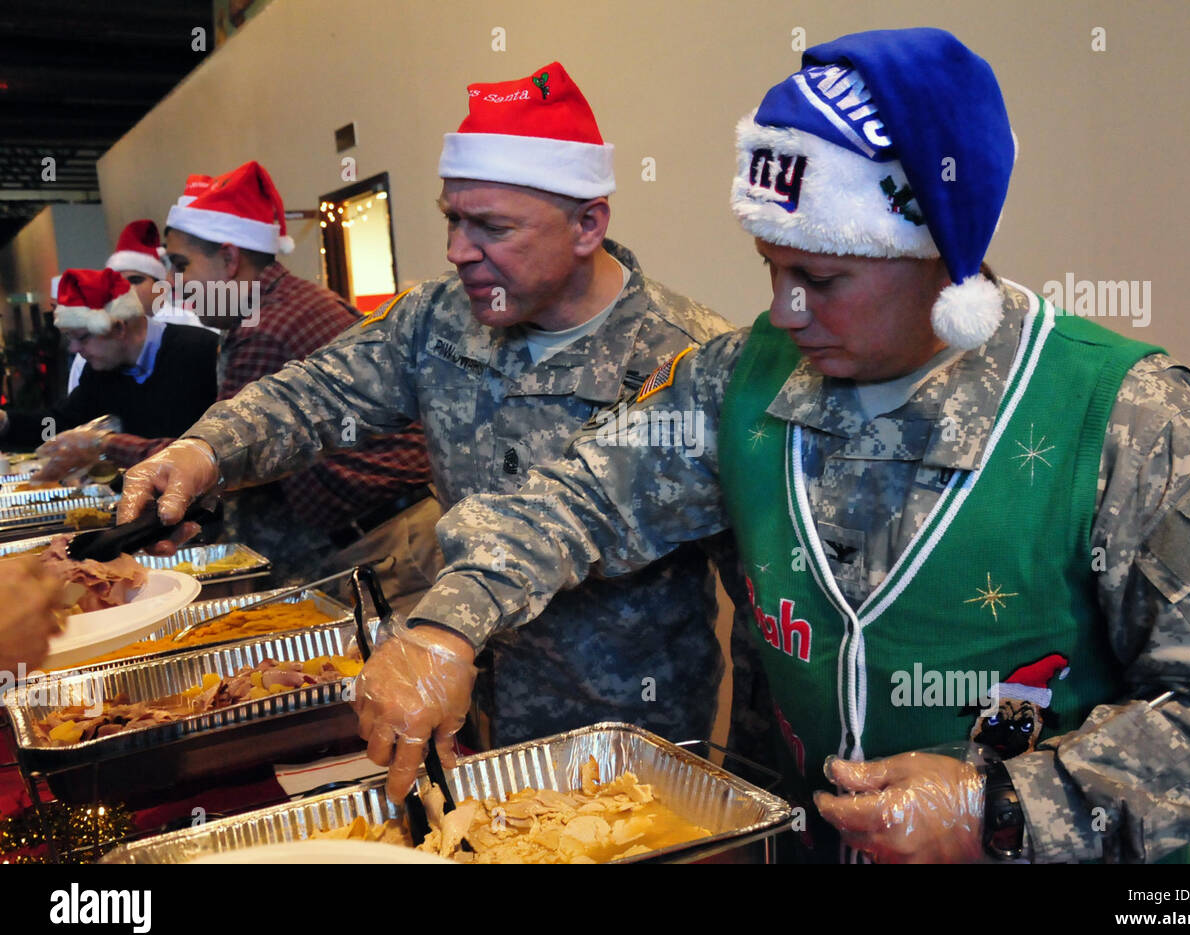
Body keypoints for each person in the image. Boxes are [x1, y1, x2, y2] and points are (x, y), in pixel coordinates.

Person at [315, 29, 1190, 862]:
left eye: (819, 276)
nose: (783, 308)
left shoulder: (1119, 412)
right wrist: (446, 623)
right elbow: (579, 501)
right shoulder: (743, 377)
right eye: (770, 267)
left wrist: (998, 807)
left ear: (940, 251)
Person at [118, 63, 739, 751]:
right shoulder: (440, 318)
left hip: (619, 723)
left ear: (588, 224)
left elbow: (755, 588)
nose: (456, 251)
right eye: (452, 220)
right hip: (468, 694)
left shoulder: (681, 357)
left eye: (490, 227)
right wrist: (203, 451)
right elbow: (316, 391)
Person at [143, 160, 439, 601]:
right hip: (391, 532)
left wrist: (117, 457)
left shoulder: (268, 325)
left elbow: (228, 457)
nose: (171, 283)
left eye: (180, 265)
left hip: (395, 541)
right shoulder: (282, 304)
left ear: (229, 258)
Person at [0, 268, 218, 468]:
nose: (74, 349)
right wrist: (7, 423)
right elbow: (59, 424)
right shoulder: (100, 371)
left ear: (119, 328)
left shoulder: (200, 351)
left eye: (82, 338)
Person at [66, 217, 215, 394]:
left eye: (136, 280)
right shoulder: (96, 344)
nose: (126, 289)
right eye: (117, 283)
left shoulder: (197, 329)